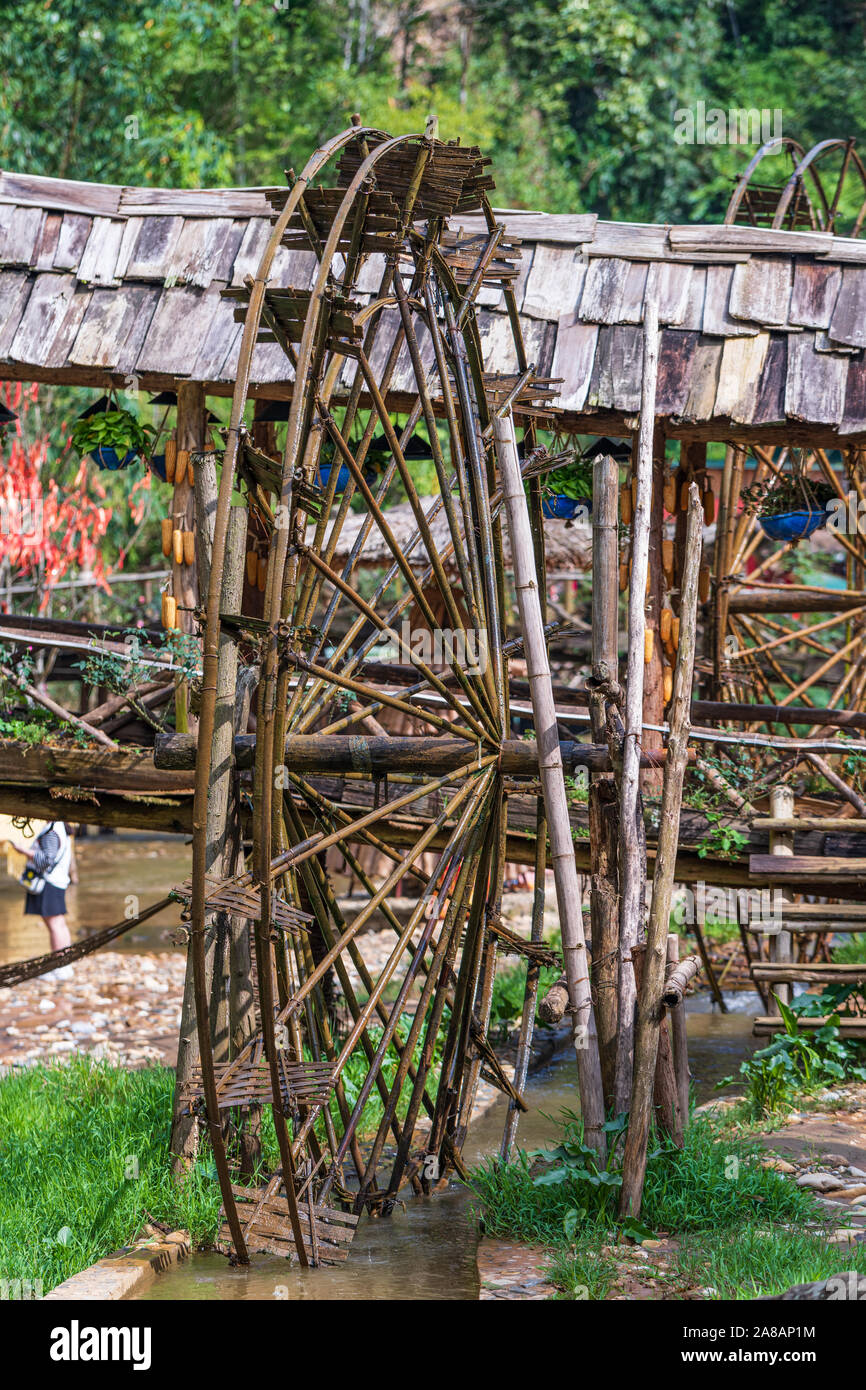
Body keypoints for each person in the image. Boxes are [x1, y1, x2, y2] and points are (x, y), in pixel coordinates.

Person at [23, 820, 73, 974]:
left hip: (48, 883)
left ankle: (58, 967)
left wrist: (22, 851)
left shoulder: (52, 831)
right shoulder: (60, 828)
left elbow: (46, 861)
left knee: (54, 926)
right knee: (59, 924)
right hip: (58, 881)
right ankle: (65, 965)